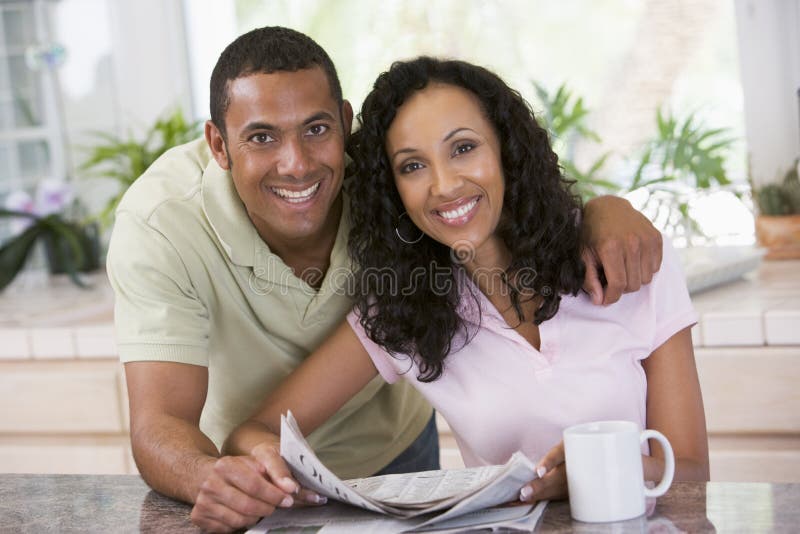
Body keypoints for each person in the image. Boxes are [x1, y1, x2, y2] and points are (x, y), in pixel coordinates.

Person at [106, 27, 663, 532]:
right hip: (259, 470)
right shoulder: (161, 225)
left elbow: (492, 198)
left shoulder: (387, 185)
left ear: (346, 125)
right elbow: (160, 422)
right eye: (261, 138)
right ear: (219, 145)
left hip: (396, 456)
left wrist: (602, 209)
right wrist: (215, 476)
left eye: (316, 129)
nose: (296, 164)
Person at [218, 56, 709, 530]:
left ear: (505, 148)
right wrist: (264, 464)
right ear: (394, 192)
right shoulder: (405, 310)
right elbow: (253, 431)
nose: (444, 185)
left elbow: (689, 470)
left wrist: (598, 470)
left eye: (463, 148)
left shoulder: (625, 257)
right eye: (412, 167)